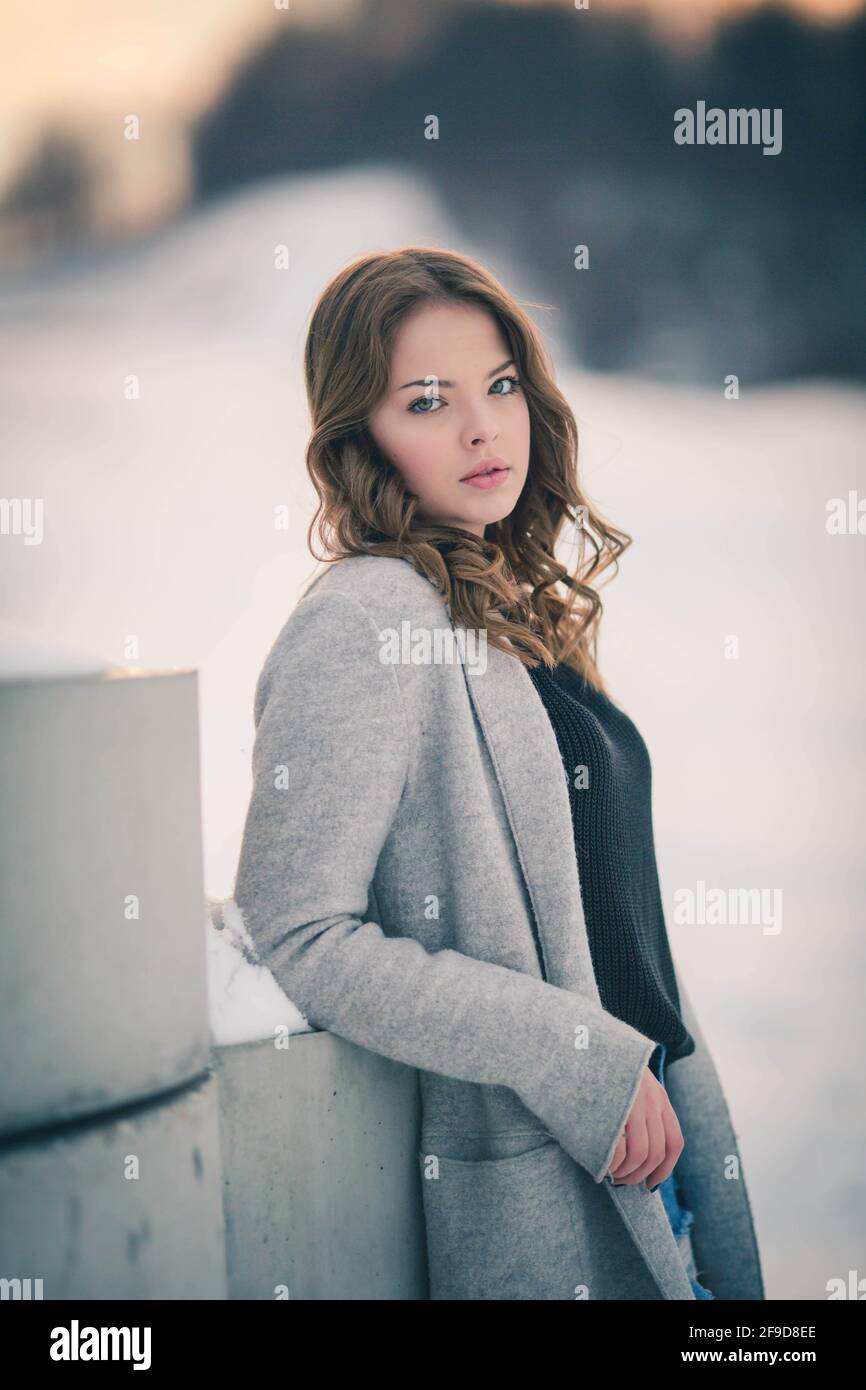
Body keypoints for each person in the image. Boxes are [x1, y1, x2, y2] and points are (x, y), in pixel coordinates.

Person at [232, 246, 764, 1300]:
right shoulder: (366, 619)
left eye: (500, 385)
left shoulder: (515, 611)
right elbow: (296, 930)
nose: (481, 427)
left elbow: (619, 931)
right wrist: (566, 1051)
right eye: (426, 400)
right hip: (553, 1195)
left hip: (663, 1174)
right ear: (358, 435)